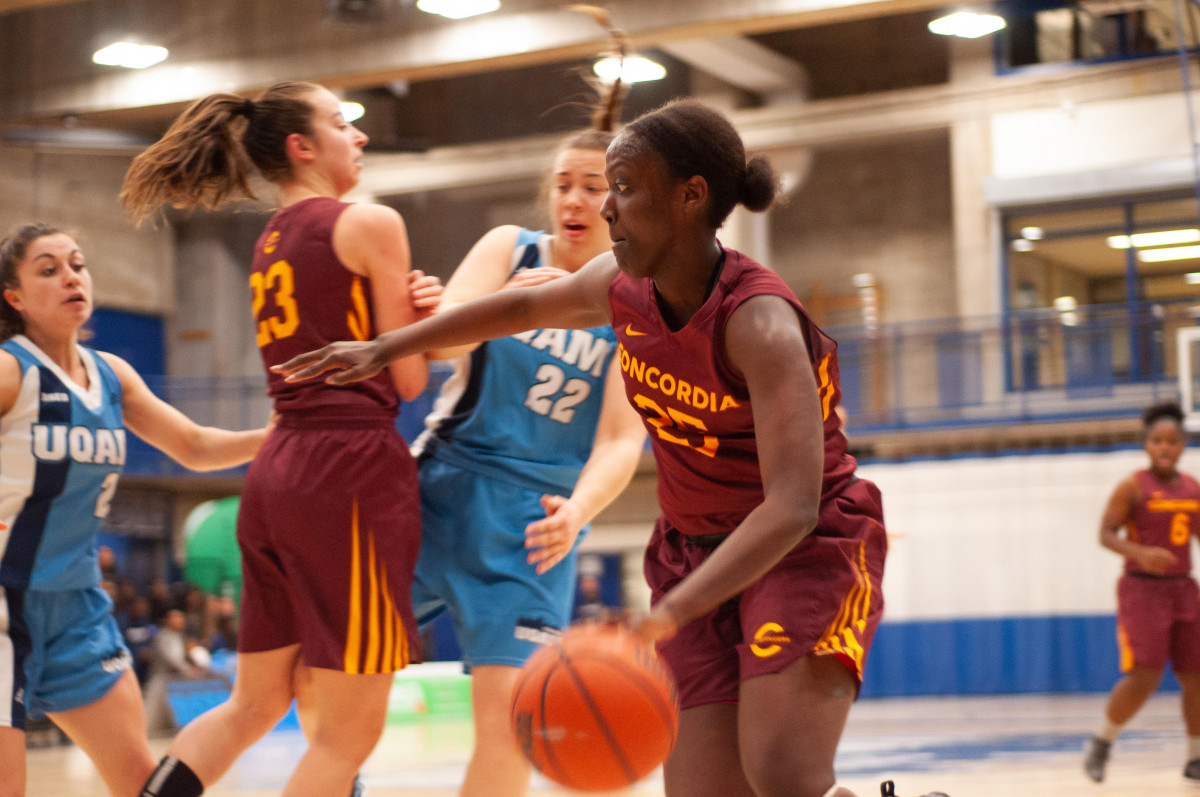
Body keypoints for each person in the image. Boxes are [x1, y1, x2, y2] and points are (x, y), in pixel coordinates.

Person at [274, 98, 902, 797]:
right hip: (691, 547)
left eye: (622, 188)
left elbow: (792, 507)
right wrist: (385, 346)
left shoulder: (760, 322)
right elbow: (519, 308)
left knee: (782, 774)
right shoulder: (621, 285)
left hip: (802, 551)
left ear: (691, 197)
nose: (605, 208)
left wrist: (668, 611)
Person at [121, 80, 435, 797]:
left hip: (276, 464)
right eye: (341, 124)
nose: (357, 136)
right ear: (302, 146)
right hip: (347, 468)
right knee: (348, 734)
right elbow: (412, 377)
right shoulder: (371, 224)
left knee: (253, 702)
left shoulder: (268, 240)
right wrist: (429, 318)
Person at [409, 74, 646, 795]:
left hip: (537, 525)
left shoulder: (637, 304)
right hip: (438, 491)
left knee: (510, 726)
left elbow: (618, 440)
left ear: (625, 201)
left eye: (592, 187)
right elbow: (444, 344)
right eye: (562, 185)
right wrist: (430, 310)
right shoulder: (509, 249)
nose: (573, 200)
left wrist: (579, 512)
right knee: (334, 672)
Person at [0, 222, 270, 797]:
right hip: (2, 604)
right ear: (14, 298)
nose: (71, 276)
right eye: (48, 269)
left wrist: (283, 433)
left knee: (144, 784)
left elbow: (194, 447)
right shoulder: (9, 372)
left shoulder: (112, 376)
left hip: (77, 609)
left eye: (77, 263)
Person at [1084, 400, 1200, 784]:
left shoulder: (1191, 487)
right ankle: (1102, 742)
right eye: (1157, 441)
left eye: (1173, 441)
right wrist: (1142, 553)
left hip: (1184, 589)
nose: (1165, 447)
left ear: (1183, 445)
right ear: (1146, 444)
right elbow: (1104, 534)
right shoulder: (1133, 486)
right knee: (1145, 675)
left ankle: (1196, 757)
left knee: (1196, 676)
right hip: (1142, 591)